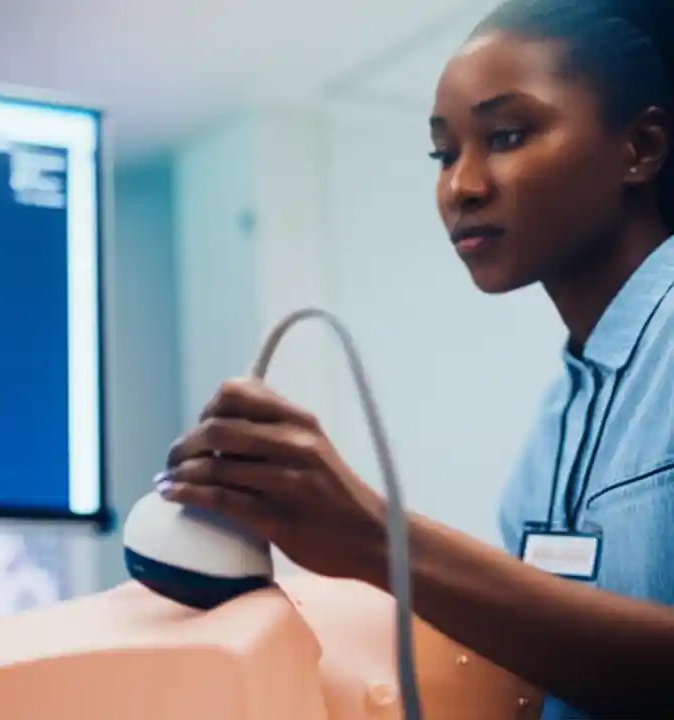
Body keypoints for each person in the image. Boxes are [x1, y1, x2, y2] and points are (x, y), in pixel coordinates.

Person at [156, 0, 674, 717]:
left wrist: (377, 538)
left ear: (641, 147)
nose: (461, 186)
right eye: (444, 153)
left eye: (507, 135)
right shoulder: (558, 417)